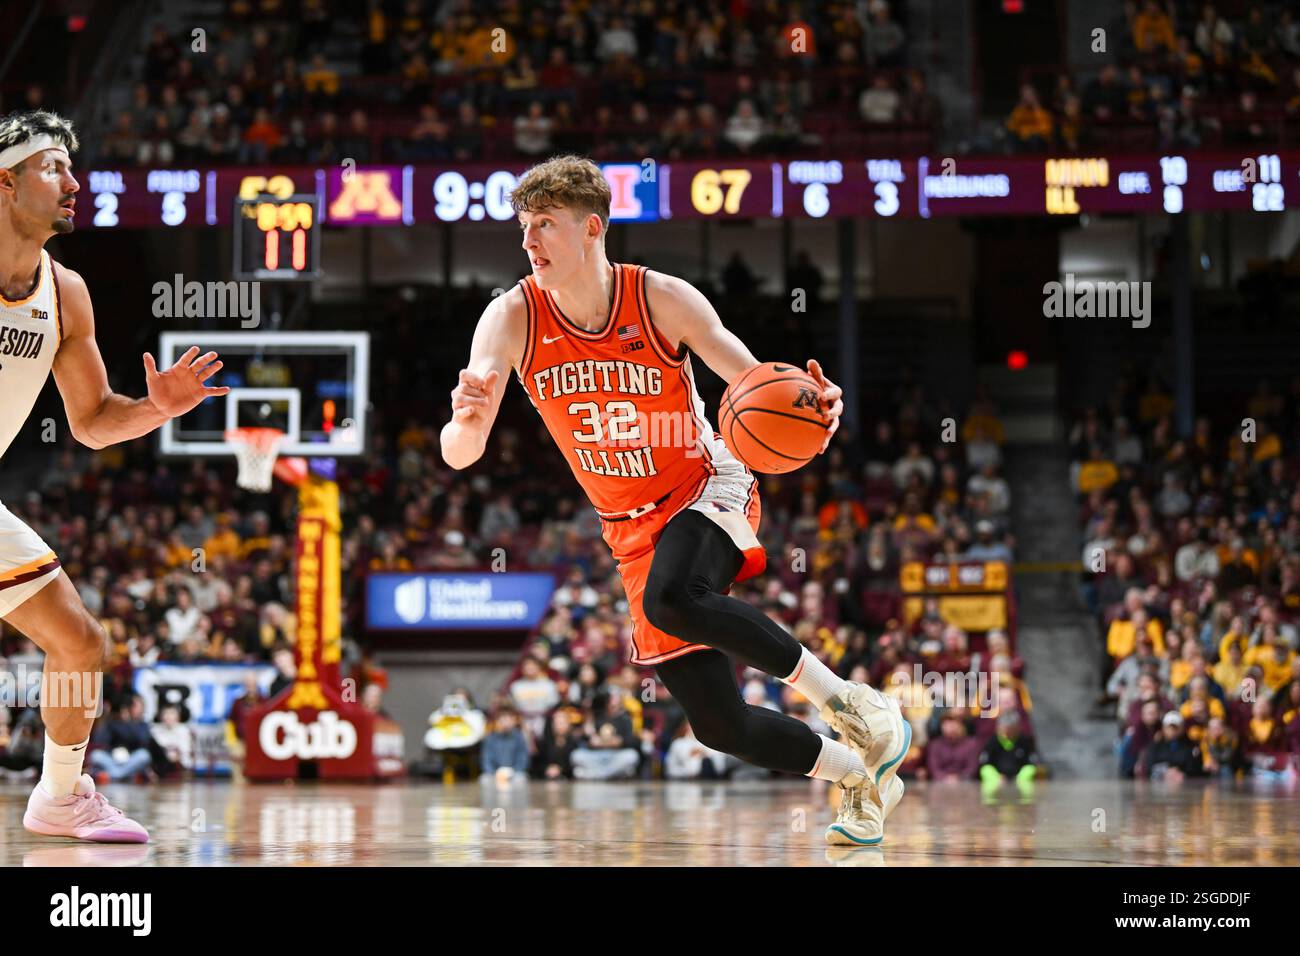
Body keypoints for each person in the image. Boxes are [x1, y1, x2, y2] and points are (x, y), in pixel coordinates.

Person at [441, 155, 907, 846]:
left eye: (544, 224)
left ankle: (852, 702)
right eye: (523, 226)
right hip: (627, 531)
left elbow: (754, 382)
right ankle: (858, 778)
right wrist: (465, 418)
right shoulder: (510, 317)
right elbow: (460, 452)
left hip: (704, 484)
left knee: (674, 598)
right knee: (720, 725)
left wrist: (816, 406)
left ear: (592, 227)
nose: (528, 240)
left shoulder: (661, 298)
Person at [1, 111, 227, 844]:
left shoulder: (65, 294)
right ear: (5, 182)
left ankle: (60, 798)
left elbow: (94, 419)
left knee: (79, 643)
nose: (73, 183)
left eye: (72, 167)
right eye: (52, 168)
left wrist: (156, 410)